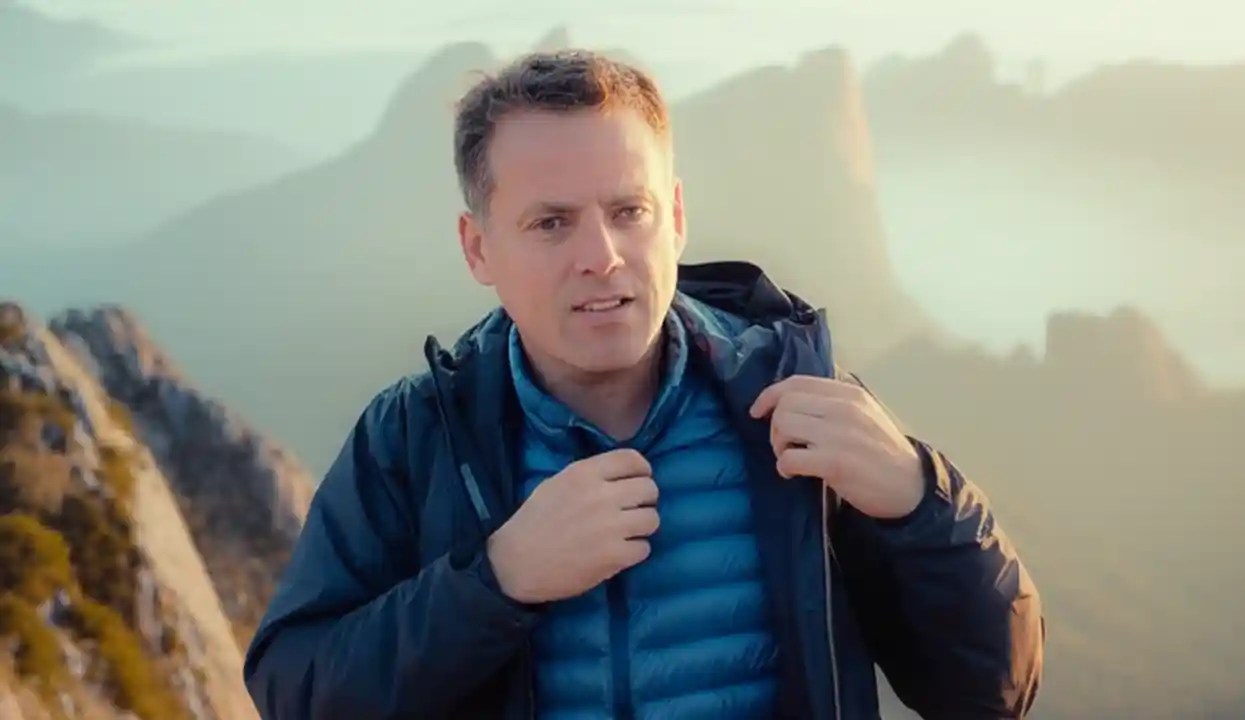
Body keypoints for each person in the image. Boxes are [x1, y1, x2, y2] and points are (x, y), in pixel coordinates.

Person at [242, 49, 1045, 720]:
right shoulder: (414, 440)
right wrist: (497, 581)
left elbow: (992, 692)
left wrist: (918, 500)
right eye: (551, 223)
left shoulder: (795, 407)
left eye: (630, 211)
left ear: (678, 217)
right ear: (477, 248)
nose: (602, 256)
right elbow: (293, 689)